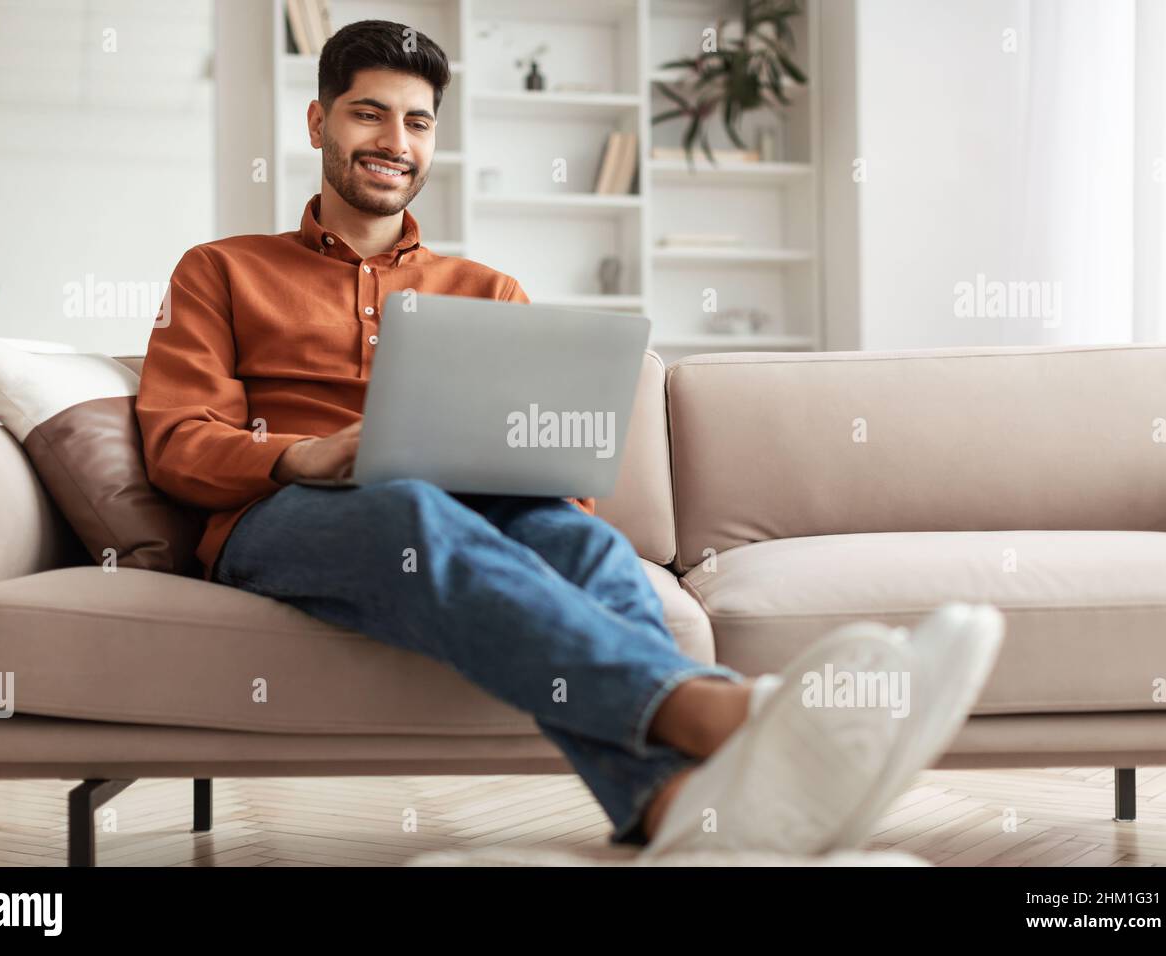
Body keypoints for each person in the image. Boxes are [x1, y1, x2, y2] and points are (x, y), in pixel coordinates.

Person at [135, 19, 1005, 856]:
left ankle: (666, 805)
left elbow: (549, 454)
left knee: (583, 544)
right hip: (285, 518)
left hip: (463, 506)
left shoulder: (489, 288)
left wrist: (532, 477)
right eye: (369, 113)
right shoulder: (219, 268)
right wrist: (302, 453)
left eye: (418, 121)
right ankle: (727, 714)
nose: (394, 139)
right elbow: (176, 440)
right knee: (407, 509)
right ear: (321, 120)